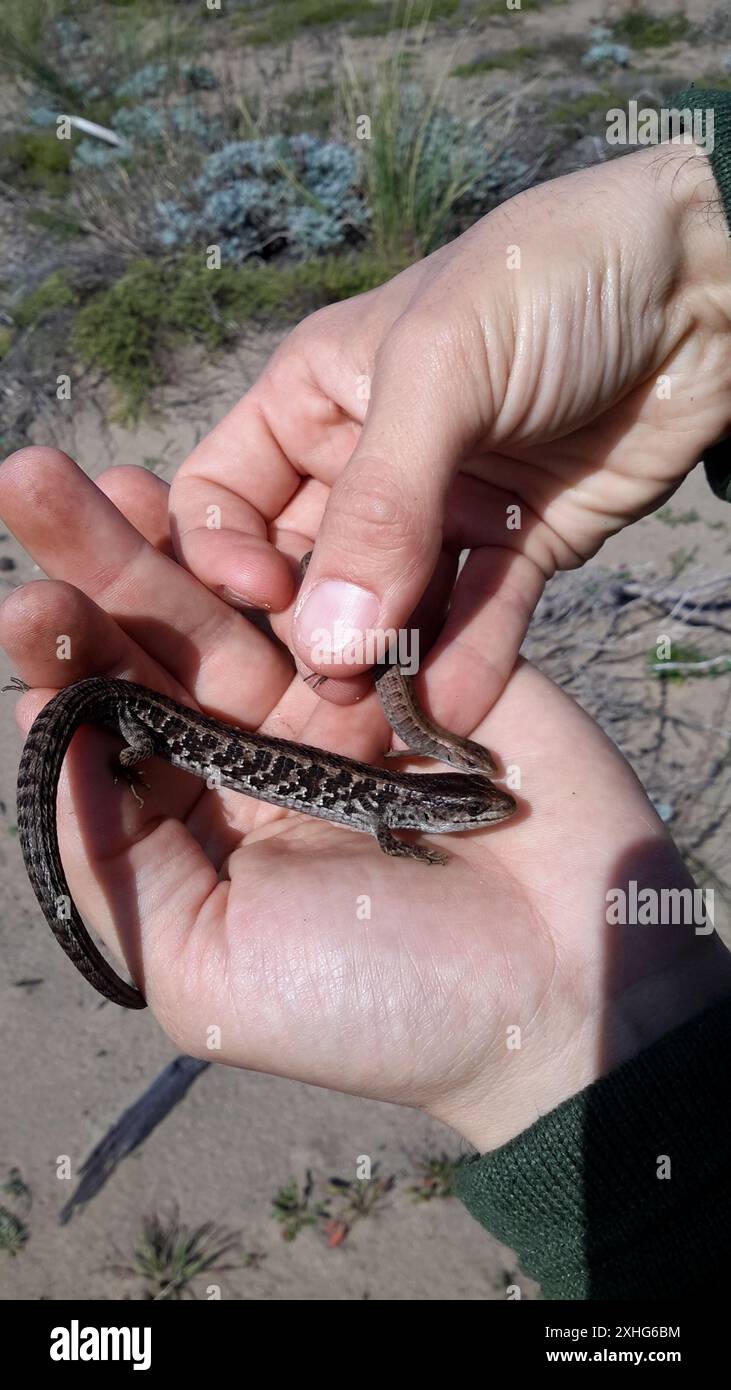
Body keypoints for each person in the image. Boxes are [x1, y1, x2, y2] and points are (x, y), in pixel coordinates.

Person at [1, 89, 730, 1300]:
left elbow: (407, 802)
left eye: (474, 817)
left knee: (113, 694)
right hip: (147, 725)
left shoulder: (408, 796)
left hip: (195, 739)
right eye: (470, 816)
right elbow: (398, 804)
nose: (483, 816)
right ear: (436, 810)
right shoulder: (403, 799)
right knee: (81, 708)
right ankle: (106, 760)